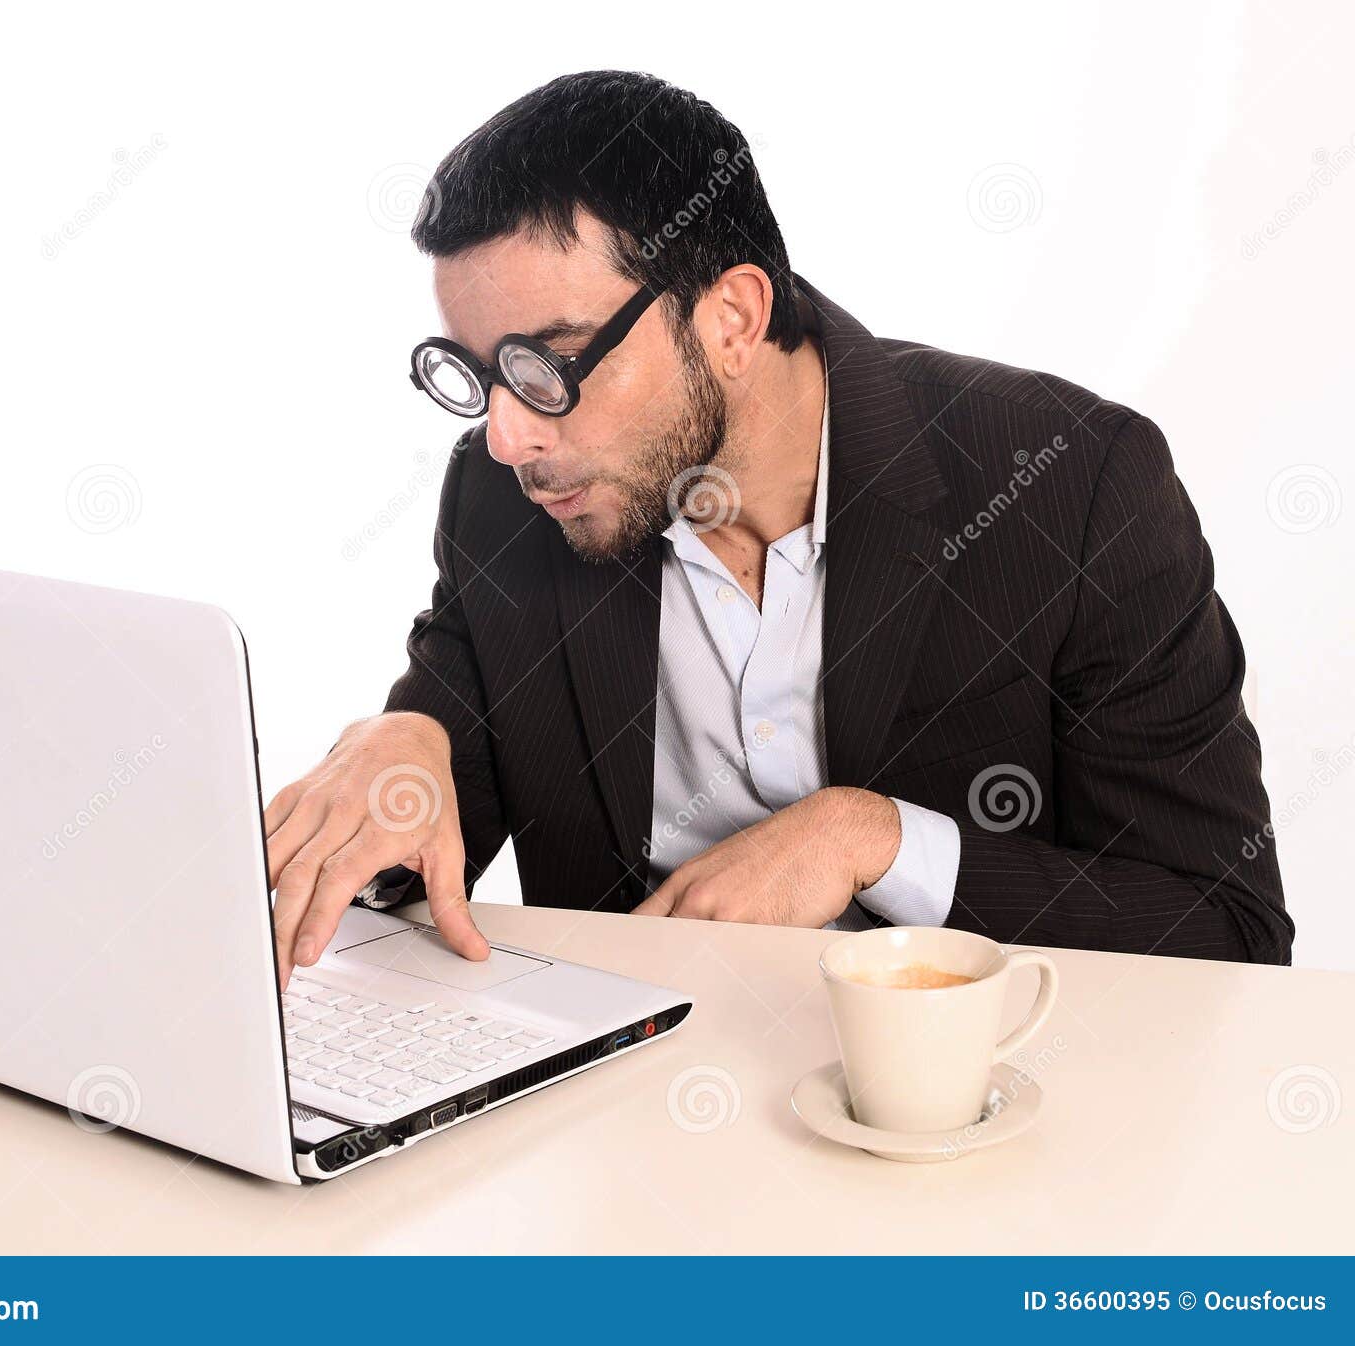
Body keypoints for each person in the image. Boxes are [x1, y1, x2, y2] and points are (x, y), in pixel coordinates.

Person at [264, 70, 1290, 980]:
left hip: (970, 1134)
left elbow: (1227, 932)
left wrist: (873, 840)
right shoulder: (510, 499)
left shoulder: (1070, 483)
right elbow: (409, 859)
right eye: (482, 374)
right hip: (633, 1132)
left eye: (547, 365)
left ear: (732, 319)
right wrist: (389, 755)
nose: (507, 435)